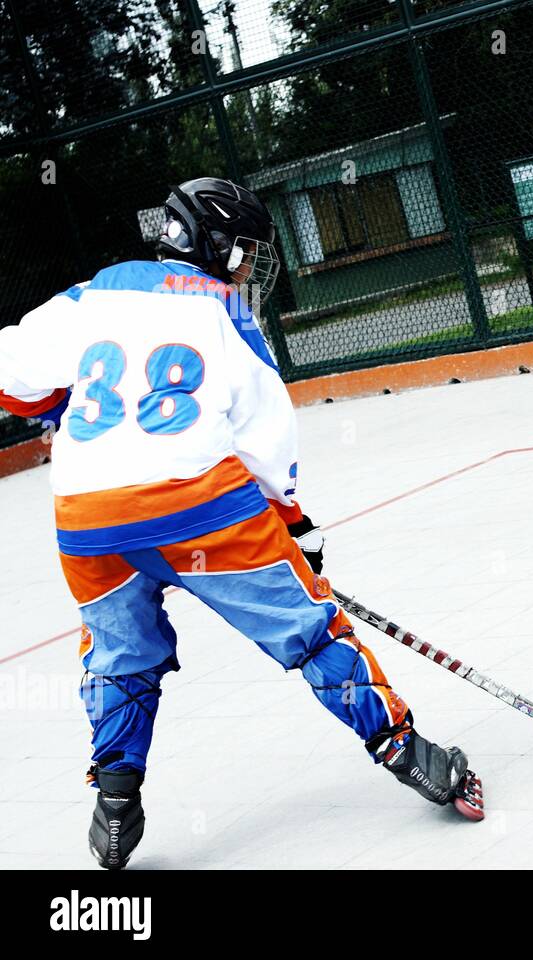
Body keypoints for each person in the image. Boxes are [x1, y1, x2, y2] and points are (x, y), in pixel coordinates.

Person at [0, 178, 477, 870]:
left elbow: (12, 376)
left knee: (120, 659)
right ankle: (411, 755)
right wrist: (297, 530)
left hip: (87, 514)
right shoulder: (226, 312)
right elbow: (264, 443)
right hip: (201, 508)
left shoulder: (92, 290)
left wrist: (63, 408)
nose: (251, 265)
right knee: (311, 633)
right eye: (246, 250)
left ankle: (114, 806)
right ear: (217, 247)